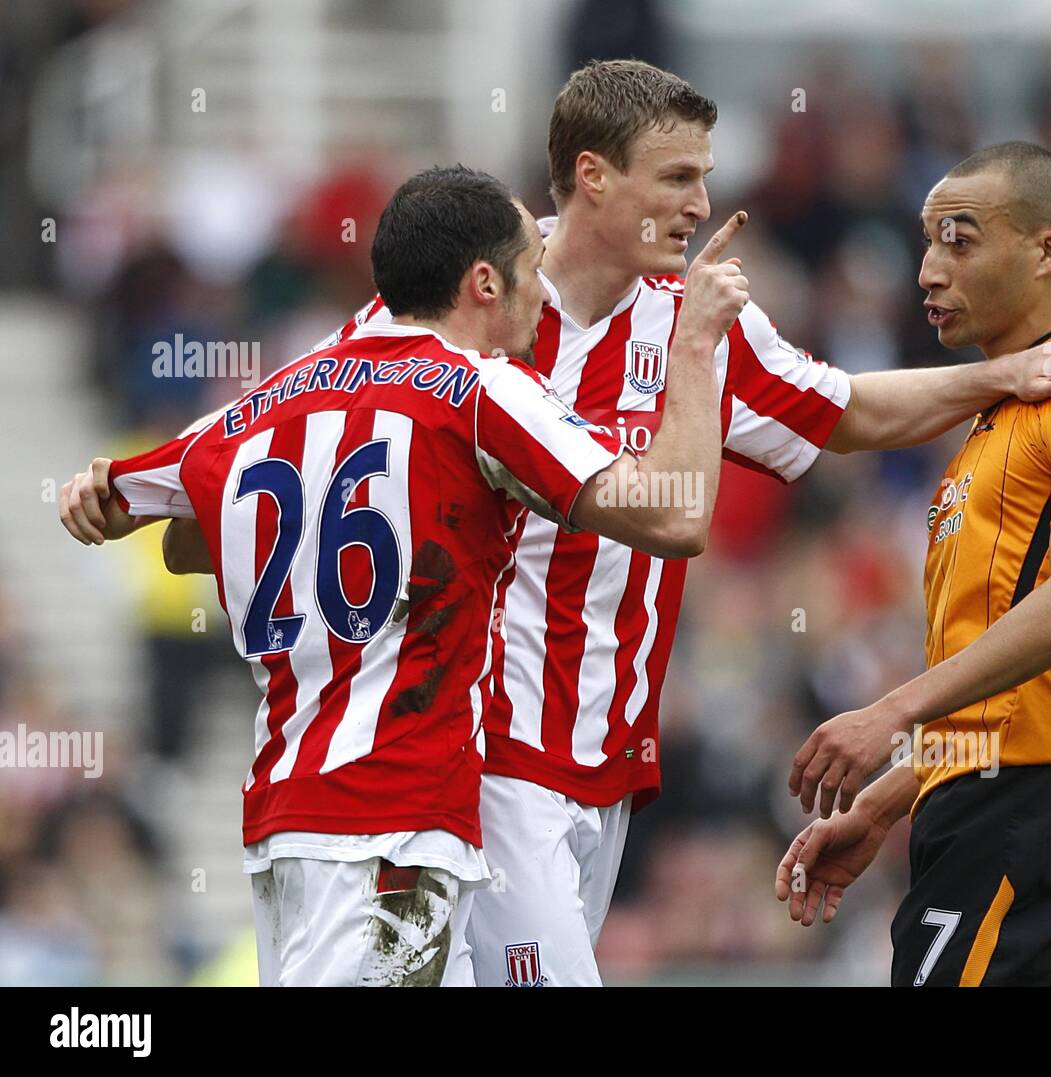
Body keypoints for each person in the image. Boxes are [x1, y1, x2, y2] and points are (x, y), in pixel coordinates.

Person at [74, 61, 1051, 988]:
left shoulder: (696, 316)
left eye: (704, 177)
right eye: (677, 177)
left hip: (602, 765)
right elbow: (312, 444)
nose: (700, 204)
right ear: (594, 176)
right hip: (486, 755)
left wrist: (1007, 373)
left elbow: (847, 411)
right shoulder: (463, 313)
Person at [59, 164, 749, 986]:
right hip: (390, 821)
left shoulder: (273, 396)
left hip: (287, 817)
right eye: (534, 271)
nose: (545, 296)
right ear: (484, 283)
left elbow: (135, 510)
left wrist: (90, 494)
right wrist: (698, 342)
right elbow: (673, 516)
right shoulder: (481, 388)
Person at [776, 142, 1051, 987]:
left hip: (1043, 792)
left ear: (1046, 250)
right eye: (926, 243)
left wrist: (889, 712)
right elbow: (1013, 682)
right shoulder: (1000, 410)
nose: (927, 270)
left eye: (959, 241)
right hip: (991, 784)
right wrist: (891, 795)